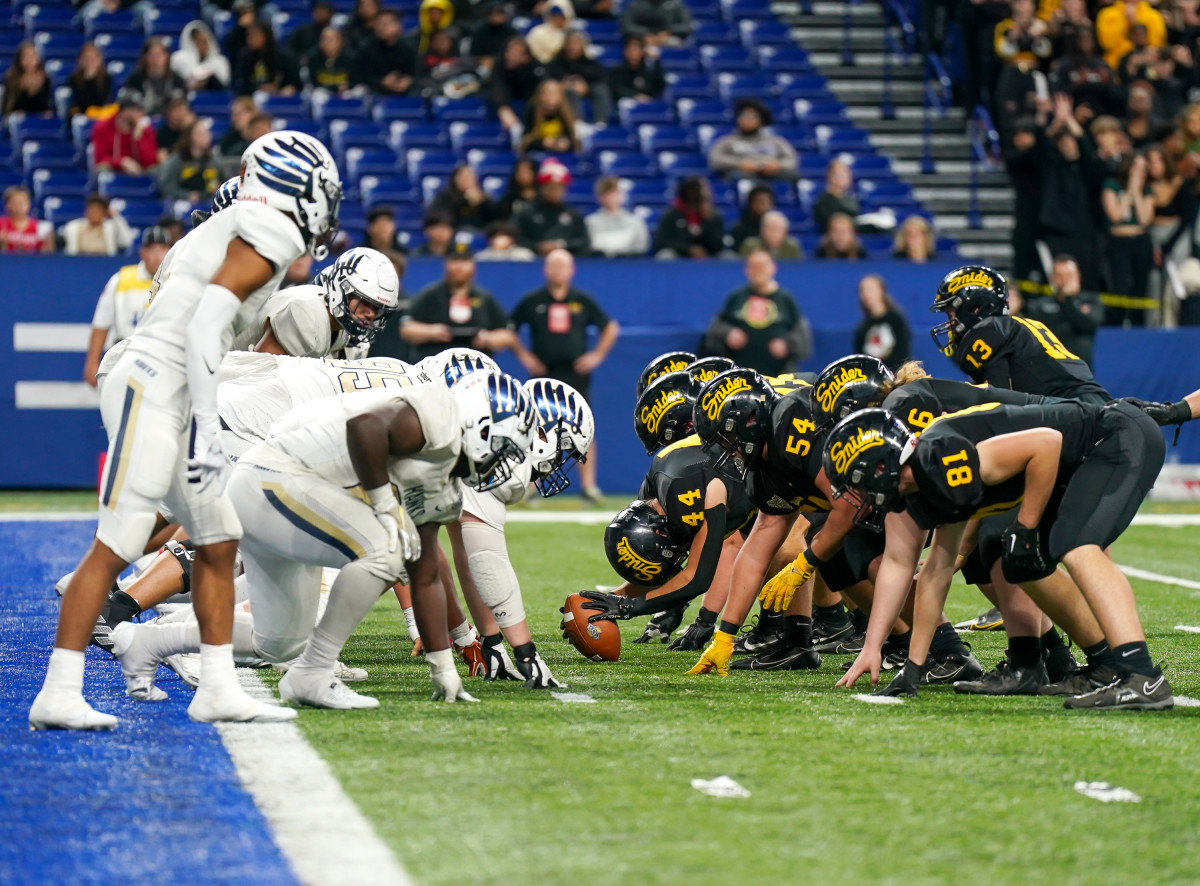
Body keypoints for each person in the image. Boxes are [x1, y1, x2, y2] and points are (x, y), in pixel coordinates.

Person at [28, 130, 342, 731]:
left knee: (219, 539)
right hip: (156, 383)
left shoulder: (238, 223)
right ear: (294, 185)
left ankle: (218, 687)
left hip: (164, 380)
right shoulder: (269, 229)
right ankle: (58, 690)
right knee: (117, 540)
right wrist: (203, 427)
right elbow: (204, 330)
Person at [112, 370, 537, 708]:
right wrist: (384, 504)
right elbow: (365, 428)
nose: (504, 467)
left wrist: (443, 668)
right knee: (387, 546)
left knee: (279, 642)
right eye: (506, 450)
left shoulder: (443, 483)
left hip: (287, 500)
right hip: (273, 481)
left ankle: (148, 642)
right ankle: (314, 672)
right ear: (483, 428)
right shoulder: (435, 417)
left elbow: (424, 576)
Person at [830, 400, 1171, 711]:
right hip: (1083, 457)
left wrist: (1026, 525)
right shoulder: (926, 482)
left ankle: (1141, 676)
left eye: (856, 482)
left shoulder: (940, 456)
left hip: (1112, 437)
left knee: (1077, 546)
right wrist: (914, 668)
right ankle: (1106, 665)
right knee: (1022, 563)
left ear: (879, 467)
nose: (857, 495)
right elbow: (938, 570)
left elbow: (1047, 443)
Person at [511, 249, 620, 501]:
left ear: (572, 271)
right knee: (536, 427)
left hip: (575, 373)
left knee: (584, 428)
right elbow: (508, 330)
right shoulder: (533, 300)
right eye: (553, 266)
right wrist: (525, 356)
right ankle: (531, 486)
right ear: (545, 270)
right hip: (544, 374)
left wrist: (597, 355)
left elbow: (610, 328)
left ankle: (589, 485)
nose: (558, 271)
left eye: (563, 266)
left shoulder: (581, 300)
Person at [929, 265, 1111, 402]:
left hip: (1078, 411)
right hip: (1090, 403)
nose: (949, 323)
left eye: (952, 313)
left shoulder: (990, 331)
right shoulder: (1019, 324)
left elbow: (999, 406)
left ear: (975, 308)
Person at [400, 240, 517, 361]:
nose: (459, 267)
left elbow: (507, 333)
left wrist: (487, 338)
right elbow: (407, 328)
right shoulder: (430, 295)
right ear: (445, 264)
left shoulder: (484, 297)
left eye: (465, 261)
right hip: (435, 364)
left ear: (473, 265)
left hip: (476, 367)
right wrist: (431, 332)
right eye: (455, 261)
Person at [83, 226, 171, 386]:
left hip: (164, 357)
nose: (158, 256)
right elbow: (101, 324)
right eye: (152, 249)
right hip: (126, 356)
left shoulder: (176, 279)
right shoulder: (121, 280)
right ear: (142, 252)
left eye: (162, 249)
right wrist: (92, 363)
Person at [703, 249, 810, 376]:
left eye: (763, 265)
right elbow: (713, 332)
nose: (758, 270)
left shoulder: (786, 299)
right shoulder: (736, 297)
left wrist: (788, 345)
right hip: (739, 379)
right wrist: (728, 333)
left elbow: (804, 341)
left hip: (779, 378)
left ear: (773, 268)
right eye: (754, 266)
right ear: (746, 270)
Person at [1020, 255, 1104, 367]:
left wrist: (1068, 300)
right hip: (1049, 368)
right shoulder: (1039, 305)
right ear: (1052, 278)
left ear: (1078, 275)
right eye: (1060, 275)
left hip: (1081, 368)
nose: (1065, 280)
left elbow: (1089, 324)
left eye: (1069, 275)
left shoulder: (1091, 300)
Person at [1102, 152, 1156, 324]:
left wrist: (1137, 193)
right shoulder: (1112, 185)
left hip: (1140, 241)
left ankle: (1137, 324)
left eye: (1143, 168)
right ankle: (1118, 323)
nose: (1139, 172)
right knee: (1120, 287)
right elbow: (1115, 216)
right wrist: (1128, 193)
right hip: (1119, 241)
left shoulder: (1147, 189)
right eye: (1136, 167)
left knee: (1140, 287)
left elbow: (1144, 220)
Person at [708, 99, 799, 183]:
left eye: (752, 116)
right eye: (743, 115)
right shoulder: (727, 141)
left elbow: (792, 161)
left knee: (793, 177)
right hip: (742, 175)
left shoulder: (775, 141)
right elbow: (715, 160)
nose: (747, 120)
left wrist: (777, 165)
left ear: (761, 120)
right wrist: (740, 164)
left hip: (770, 174)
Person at [514, 158, 591, 255]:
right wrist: (537, 246)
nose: (554, 192)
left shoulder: (573, 215)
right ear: (542, 188)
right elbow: (516, 237)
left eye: (558, 188)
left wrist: (562, 245)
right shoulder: (527, 211)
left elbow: (584, 241)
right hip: (532, 259)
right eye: (550, 187)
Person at [549, 29, 611, 124]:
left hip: (588, 90)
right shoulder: (556, 63)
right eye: (570, 43)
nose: (572, 46)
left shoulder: (591, 63)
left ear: (582, 45)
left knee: (601, 89)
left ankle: (601, 123)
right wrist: (562, 85)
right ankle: (577, 123)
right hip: (564, 92)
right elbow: (548, 81)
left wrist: (586, 87)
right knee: (570, 92)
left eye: (576, 43)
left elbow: (601, 80)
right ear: (565, 45)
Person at [654, 176, 724, 259]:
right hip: (679, 257)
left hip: (708, 258)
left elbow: (718, 246)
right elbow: (662, 242)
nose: (708, 192)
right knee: (665, 255)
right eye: (704, 188)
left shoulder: (713, 216)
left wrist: (708, 221)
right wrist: (689, 249)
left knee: (728, 256)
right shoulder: (672, 215)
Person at [852, 274, 910, 371]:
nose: (866, 294)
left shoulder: (896, 320)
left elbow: (903, 354)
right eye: (862, 290)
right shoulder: (862, 328)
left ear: (881, 290)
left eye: (870, 289)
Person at [488, 36, 547, 131]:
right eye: (508, 51)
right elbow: (497, 86)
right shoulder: (500, 64)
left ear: (525, 58)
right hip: (507, 107)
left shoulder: (535, 68)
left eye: (515, 53)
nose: (509, 56)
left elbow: (541, 89)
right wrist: (503, 108)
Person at [92, 93, 159, 175]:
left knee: (156, 171)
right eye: (137, 110)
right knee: (102, 169)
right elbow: (100, 159)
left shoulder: (144, 128)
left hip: (139, 172)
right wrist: (122, 162)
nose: (141, 113)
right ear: (125, 111)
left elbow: (150, 162)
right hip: (114, 171)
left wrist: (139, 137)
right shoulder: (103, 127)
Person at [157, 119, 221, 202]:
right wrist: (186, 195)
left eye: (207, 132)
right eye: (201, 133)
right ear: (190, 137)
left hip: (210, 202)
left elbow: (225, 181)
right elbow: (165, 186)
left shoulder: (213, 159)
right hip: (182, 203)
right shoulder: (177, 159)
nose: (206, 136)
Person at [355, 8, 417, 94]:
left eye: (386, 24)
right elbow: (360, 76)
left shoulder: (409, 46)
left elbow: (418, 74)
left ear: (398, 26)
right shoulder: (366, 46)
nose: (381, 27)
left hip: (405, 90)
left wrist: (408, 81)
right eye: (378, 23)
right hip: (376, 90)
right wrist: (382, 81)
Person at [585, 176, 650, 256]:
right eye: (606, 194)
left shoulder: (634, 221)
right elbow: (591, 246)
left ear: (621, 195)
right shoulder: (591, 222)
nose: (610, 198)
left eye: (613, 193)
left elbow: (642, 246)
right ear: (599, 198)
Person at [234, 22, 301, 95]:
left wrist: (289, 87)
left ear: (266, 36)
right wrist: (258, 88)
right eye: (248, 35)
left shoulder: (284, 57)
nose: (250, 38)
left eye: (255, 34)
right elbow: (241, 83)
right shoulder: (245, 56)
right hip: (254, 97)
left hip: (281, 95)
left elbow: (296, 83)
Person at [1096, 0, 1166, 68]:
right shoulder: (1106, 14)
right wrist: (1123, 19)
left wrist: (1135, 22)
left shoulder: (1154, 16)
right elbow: (1107, 43)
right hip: (1113, 65)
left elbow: (1155, 45)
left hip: (1144, 67)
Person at [125, 39, 187, 116]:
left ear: (166, 57)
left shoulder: (177, 80)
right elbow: (129, 105)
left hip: (170, 122)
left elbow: (182, 104)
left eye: (159, 55)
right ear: (145, 57)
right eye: (152, 56)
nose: (155, 60)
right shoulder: (134, 79)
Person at [61, 194, 134, 257]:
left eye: (97, 210)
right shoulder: (74, 227)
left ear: (105, 213)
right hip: (79, 264)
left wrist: (115, 217)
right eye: (91, 210)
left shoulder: (111, 228)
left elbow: (126, 242)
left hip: (105, 264)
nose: (93, 213)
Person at [431, 165, 501, 230]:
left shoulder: (483, 197)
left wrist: (483, 202)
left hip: (481, 234)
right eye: (463, 177)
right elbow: (440, 217)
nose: (467, 180)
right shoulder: (445, 196)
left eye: (470, 177)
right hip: (454, 234)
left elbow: (496, 217)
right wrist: (464, 200)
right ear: (455, 179)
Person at [520, 79, 581, 154]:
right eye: (546, 92)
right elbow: (525, 142)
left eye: (554, 93)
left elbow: (573, 140)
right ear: (539, 95)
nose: (549, 96)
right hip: (537, 155)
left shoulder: (566, 114)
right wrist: (543, 143)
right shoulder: (532, 109)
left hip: (561, 157)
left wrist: (565, 143)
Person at [173, 21, 232, 91]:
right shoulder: (179, 59)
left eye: (203, 41)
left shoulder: (220, 61)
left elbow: (224, 83)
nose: (202, 46)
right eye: (197, 41)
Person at [2, 42, 52, 120]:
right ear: (19, 59)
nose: (29, 60)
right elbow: (7, 108)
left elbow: (44, 106)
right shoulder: (11, 78)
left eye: (33, 56)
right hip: (15, 119)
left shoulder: (45, 79)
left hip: (38, 120)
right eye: (26, 57)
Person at [608, 33, 664, 103]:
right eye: (631, 49)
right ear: (625, 51)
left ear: (642, 52)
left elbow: (658, 87)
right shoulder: (616, 72)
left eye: (636, 49)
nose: (633, 53)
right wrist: (634, 96)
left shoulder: (647, 72)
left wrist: (656, 63)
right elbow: (614, 89)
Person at [0, 185, 54, 254]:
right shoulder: (1, 224)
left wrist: (48, 244)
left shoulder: (40, 227)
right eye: (15, 202)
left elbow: (48, 257)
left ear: (29, 204)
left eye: (23, 202)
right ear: (7, 205)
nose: (19, 206)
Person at [466, 1, 518, 70]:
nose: (497, 18)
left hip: (505, 61)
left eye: (499, 14)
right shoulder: (480, 30)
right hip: (485, 62)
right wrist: (483, 59)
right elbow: (474, 53)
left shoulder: (510, 30)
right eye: (494, 15)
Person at [303, 26, 356, 94]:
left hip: (346, 93)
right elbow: (312, 83)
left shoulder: (350, 59)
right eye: (324, 39)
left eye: (330, 39)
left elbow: (356, 81)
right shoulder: (313, 59)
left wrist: (348, 85)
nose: (327, 43)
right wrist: (335, 88)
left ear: (340, 41)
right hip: (323, 93)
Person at [813, 159, 859, 232]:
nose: (846, 177)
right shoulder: (825, 200)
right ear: (831, 177)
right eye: (841, 174)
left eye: (847, 174)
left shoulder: (850, 199)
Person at [68, 42, 112, 117]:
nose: (89, 62)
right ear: (81, 60)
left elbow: (102, 101)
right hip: (81, 115)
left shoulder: (107, 78)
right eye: (86, 59)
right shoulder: (73, 79)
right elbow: (80, 103)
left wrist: (92, 79)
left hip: (100, 115)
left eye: (92, 59)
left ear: (99, 60)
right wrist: (88, 79)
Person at [217, 96, 259, 174]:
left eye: (238, 114)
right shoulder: (228, 139)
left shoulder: (261, 137)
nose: (234, 118)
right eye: (234, 115)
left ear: (251, 113)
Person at [620, 0, 693, 45]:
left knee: (674, 42)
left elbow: (687, 26)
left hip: (668, 38)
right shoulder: (637, 4)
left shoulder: (675, 5)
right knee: (634, 45)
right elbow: (626, 26)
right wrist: (644, 34)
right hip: (643, 39)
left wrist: (669, 31)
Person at [364, 206, 410, 274]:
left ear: (394, 227)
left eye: (387, 223)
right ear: (369, 228)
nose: (383, 228)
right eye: (378, 223)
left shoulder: (404, 251)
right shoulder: (361, 251)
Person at [729, 186, 775, 253]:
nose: (763, 206)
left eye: (766, 202)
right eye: (759, 201)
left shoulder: (777, 228)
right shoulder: (740, 229)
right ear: (751, 204)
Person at [156, 97, 196, 161]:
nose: (180, 114)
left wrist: (191, 126)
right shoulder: (163, 132)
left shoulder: (190, 129)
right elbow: (162, 154)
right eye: (176, 111)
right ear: (169, 113)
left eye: (183, 110)